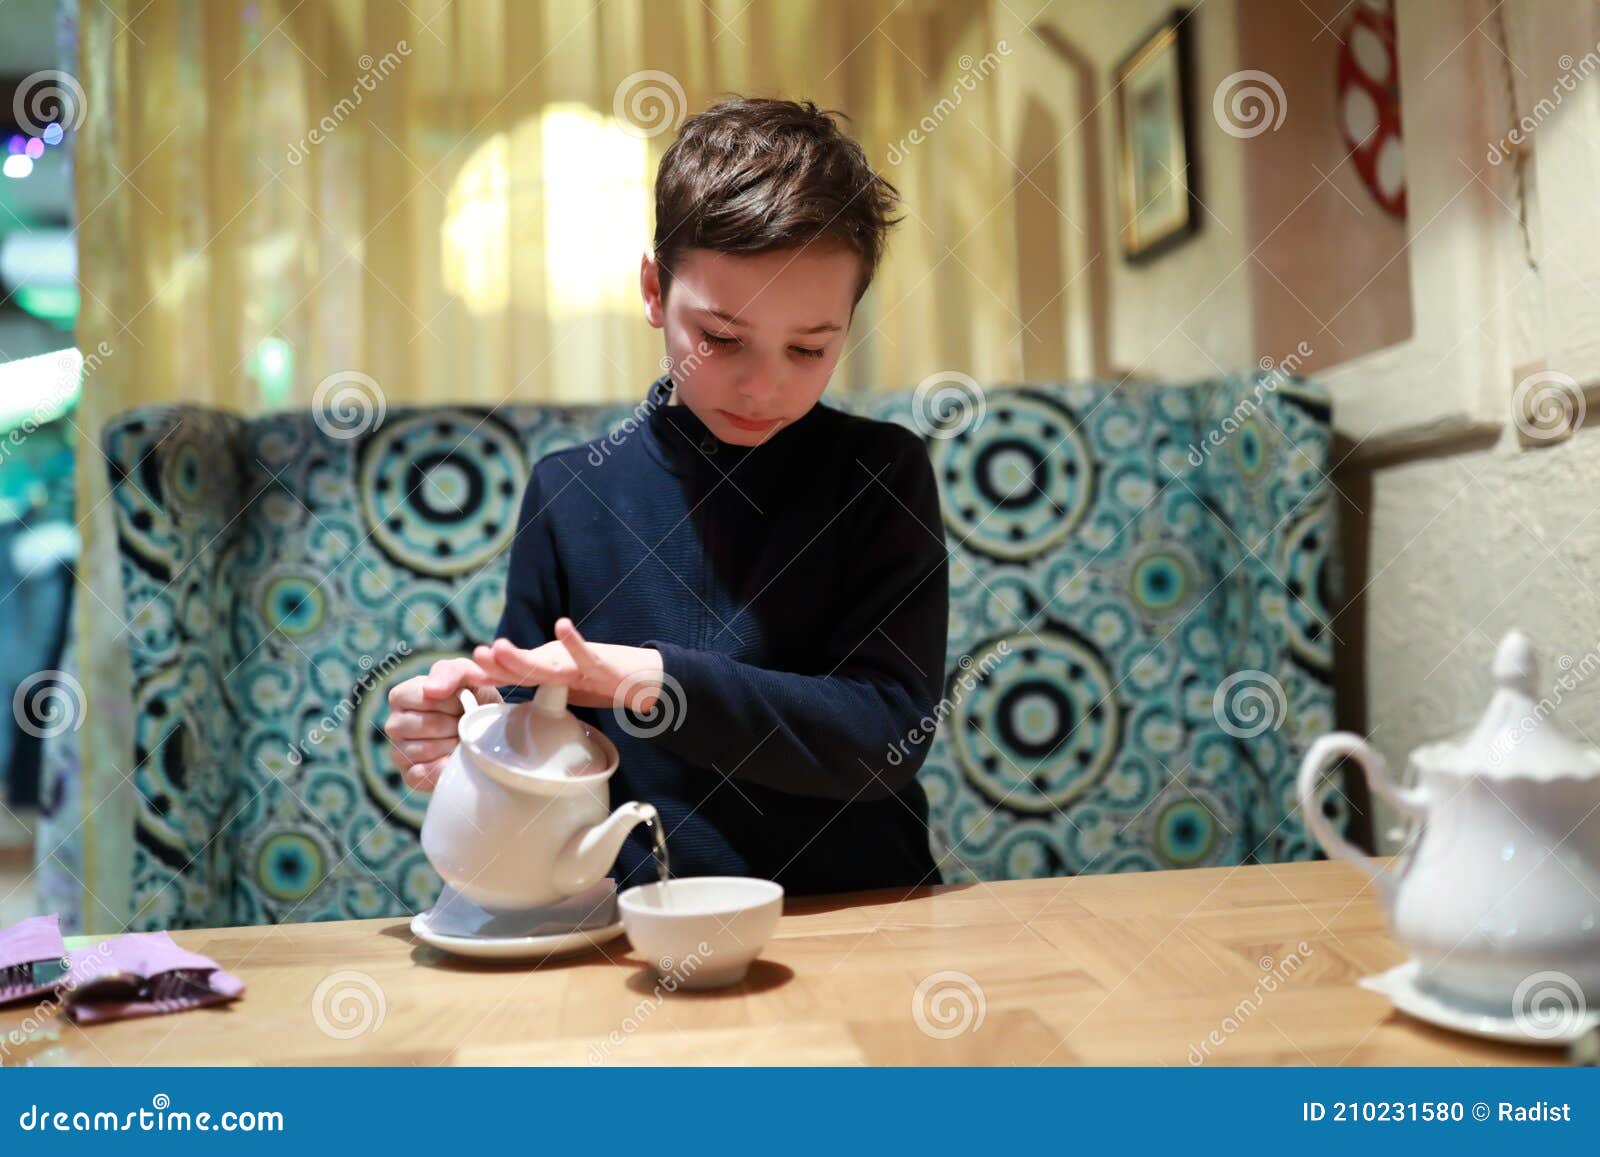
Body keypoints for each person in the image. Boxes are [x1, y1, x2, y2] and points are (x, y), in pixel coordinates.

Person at [384, 96, 949, 895]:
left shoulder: (881, 475)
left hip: (861, 912)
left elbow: (884, 733)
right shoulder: (571, 493)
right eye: (720, 338)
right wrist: (461, 727)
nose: (764, 384)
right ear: (654, 289)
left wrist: (649, 679)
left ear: (847, 323)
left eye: (809, 347)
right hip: (634, 932)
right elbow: (531, 731)